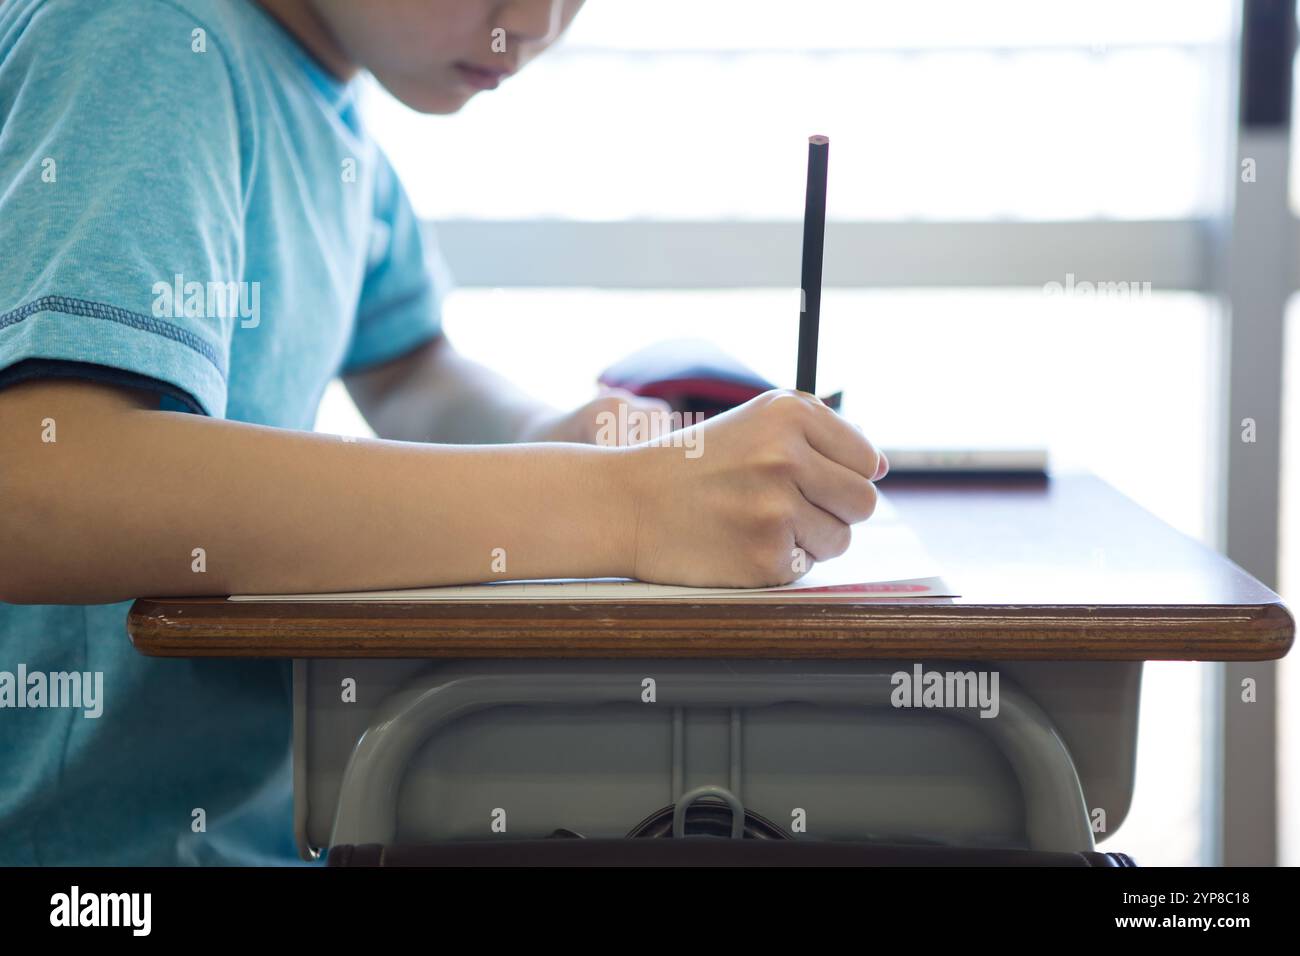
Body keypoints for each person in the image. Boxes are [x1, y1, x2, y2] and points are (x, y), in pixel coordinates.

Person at [0, 0, 887, 865]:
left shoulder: (325, 97)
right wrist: (629, 506)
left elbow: (409, 368)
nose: (536, 21)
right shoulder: (146, 41)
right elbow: (43, 486)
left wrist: (560, 434)